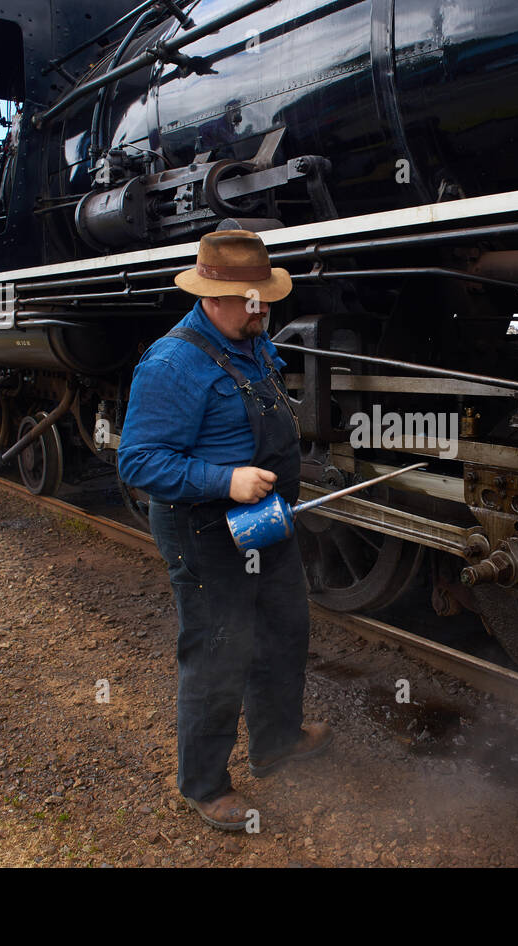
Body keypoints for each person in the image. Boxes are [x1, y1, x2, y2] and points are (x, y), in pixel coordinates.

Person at [118, 229, 331, 831]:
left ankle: (276, 742)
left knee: (284, 629)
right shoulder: (172, 362)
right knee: (217, 652)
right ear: (210, 296)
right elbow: (136, 462)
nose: (261, 308)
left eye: (264, 296)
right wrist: (224, 479)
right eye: (248, 298)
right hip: (205, 529)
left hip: (264, 523)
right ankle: (205, 785)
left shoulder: (252, 340)